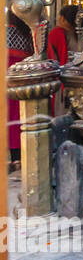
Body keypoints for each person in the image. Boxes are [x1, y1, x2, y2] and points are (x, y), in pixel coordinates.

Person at [6, 9, 33, 168]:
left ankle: (12, 156)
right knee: (19, 118)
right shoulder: (28, 35)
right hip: (22, 80)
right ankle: (18, 156)